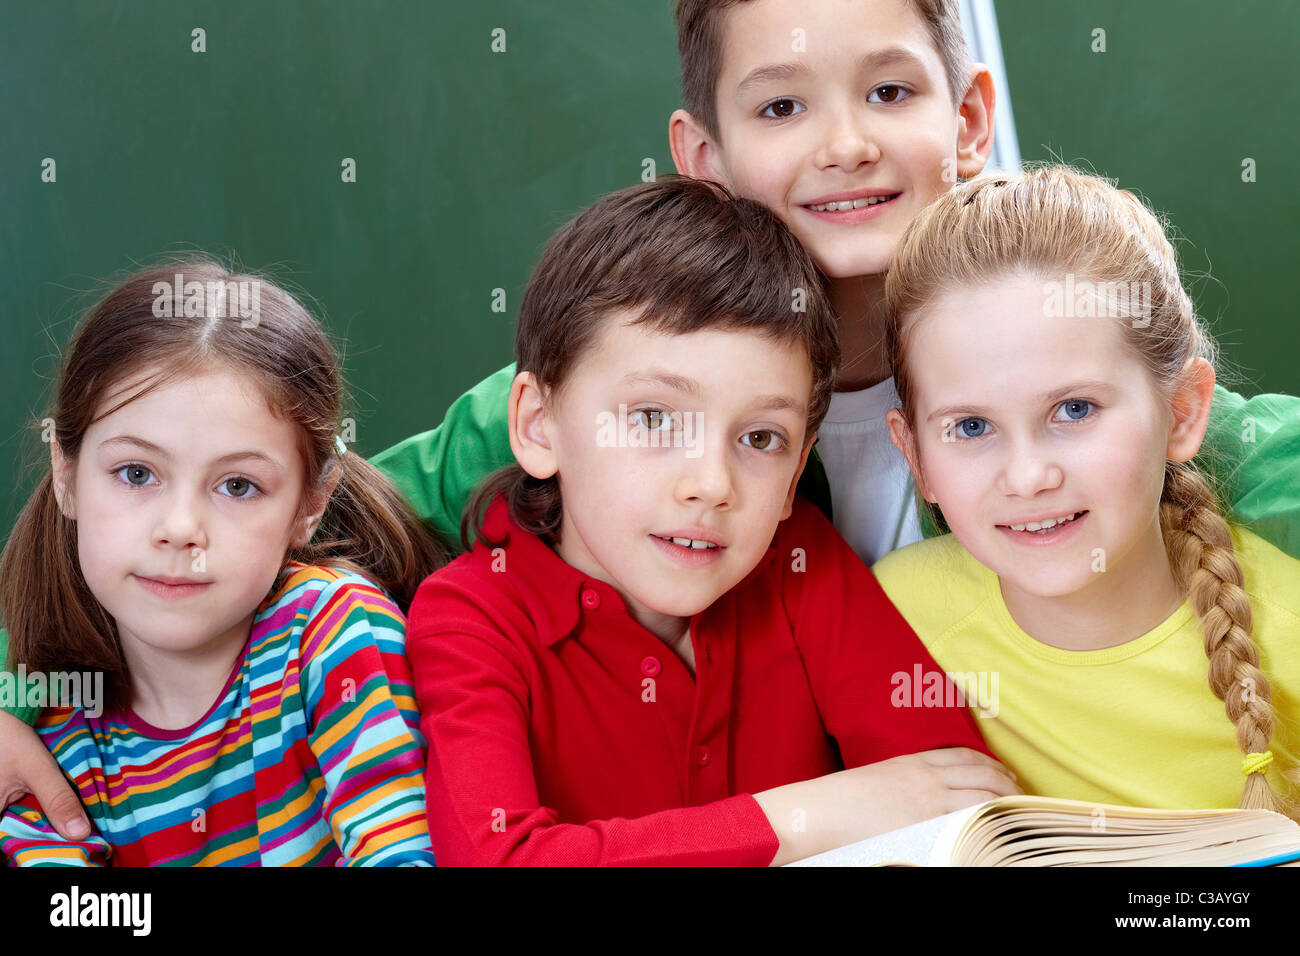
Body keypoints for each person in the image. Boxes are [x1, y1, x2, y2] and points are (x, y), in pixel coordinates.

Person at [7, 0, 1300, 838]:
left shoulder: (1115, 412)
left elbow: (959, 788)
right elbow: (227, 526)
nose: (845, 143)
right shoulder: (512, 468)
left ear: (968, 122)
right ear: (706, 149)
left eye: (891, 94)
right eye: (784, 104)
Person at [407, 176, 1020, 867]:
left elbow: (951, 797)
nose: (710, 485)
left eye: (760, 438)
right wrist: (801, 817)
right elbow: (500, 859)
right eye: (654, 418)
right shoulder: (471, 615)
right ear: (537, 424)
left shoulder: (798, 562)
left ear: (796, 474)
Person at [873, 166, 1300, 817]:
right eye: (971, 426)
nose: (1027, 475)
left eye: (1073, 410)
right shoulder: (888, 620)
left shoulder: (1286, 627)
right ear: (916, 457)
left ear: (1182, 412)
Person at [0, 259, 442, 865]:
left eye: (237, 486)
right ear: (66, 473)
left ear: (309, 506)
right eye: (136, 474)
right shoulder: (43, 738)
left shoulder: (334, 633)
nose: (181, 529)